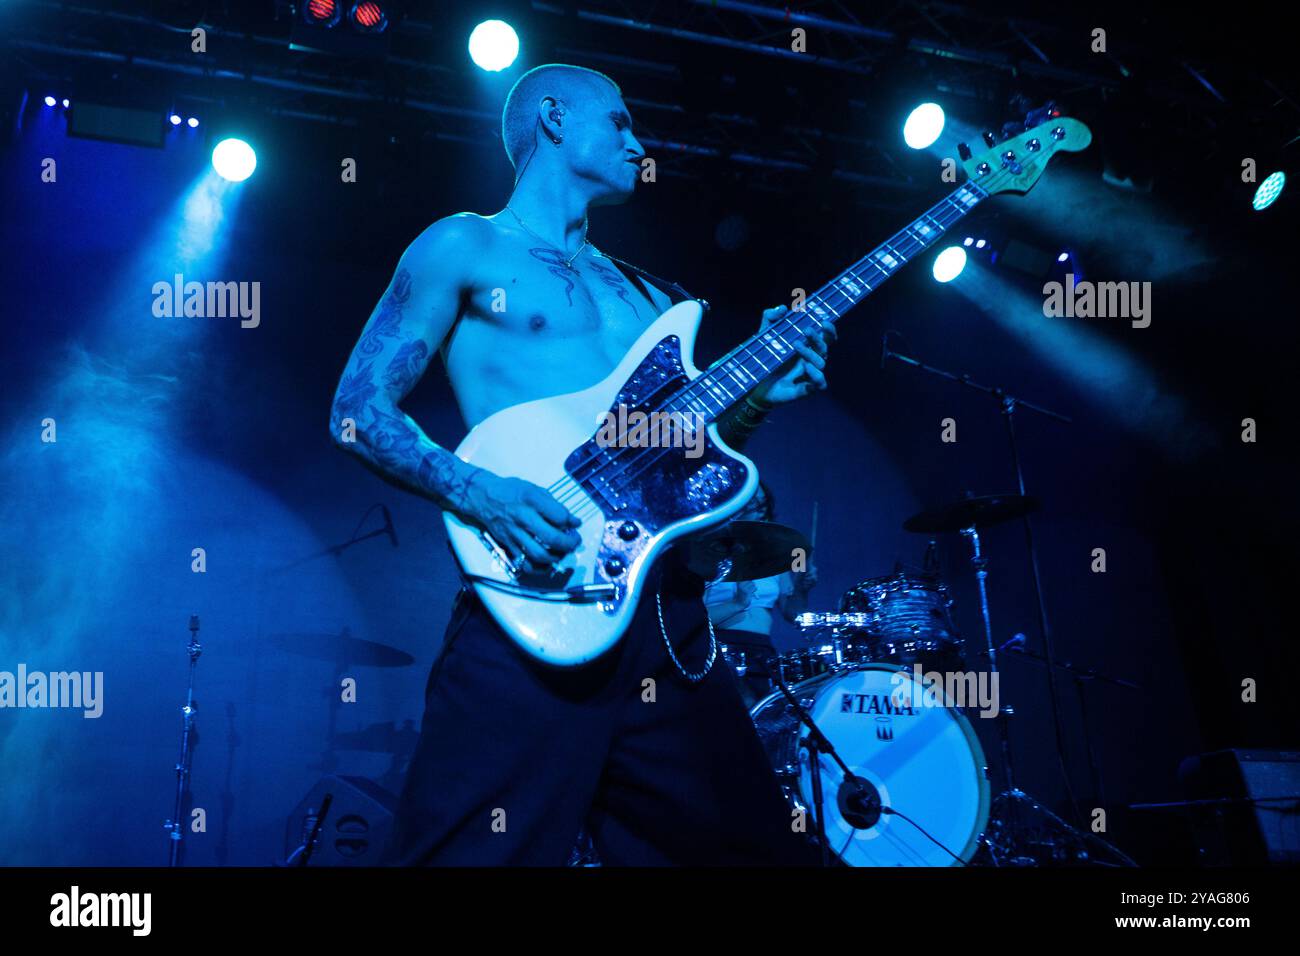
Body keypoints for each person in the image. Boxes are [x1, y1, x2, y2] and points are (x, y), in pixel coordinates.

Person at [329, 63, 836, 865]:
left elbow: (676, 452)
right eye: (624, 122)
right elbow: (358, 411)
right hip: (533, 606)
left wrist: (765, 393)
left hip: (666, 618)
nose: (641, 143)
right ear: (556, 118)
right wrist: (481, 492)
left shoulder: (648, 300)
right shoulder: (468, 243)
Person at [702, 482, 819, 709]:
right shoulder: (711, 552)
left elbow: (793, 614)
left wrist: (803, 588)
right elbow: (692, 617)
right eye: (751, 501)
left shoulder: (774, 557)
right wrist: (736, 604)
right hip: (721, 646)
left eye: (761, 503)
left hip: (762, 652)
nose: (757, 507)